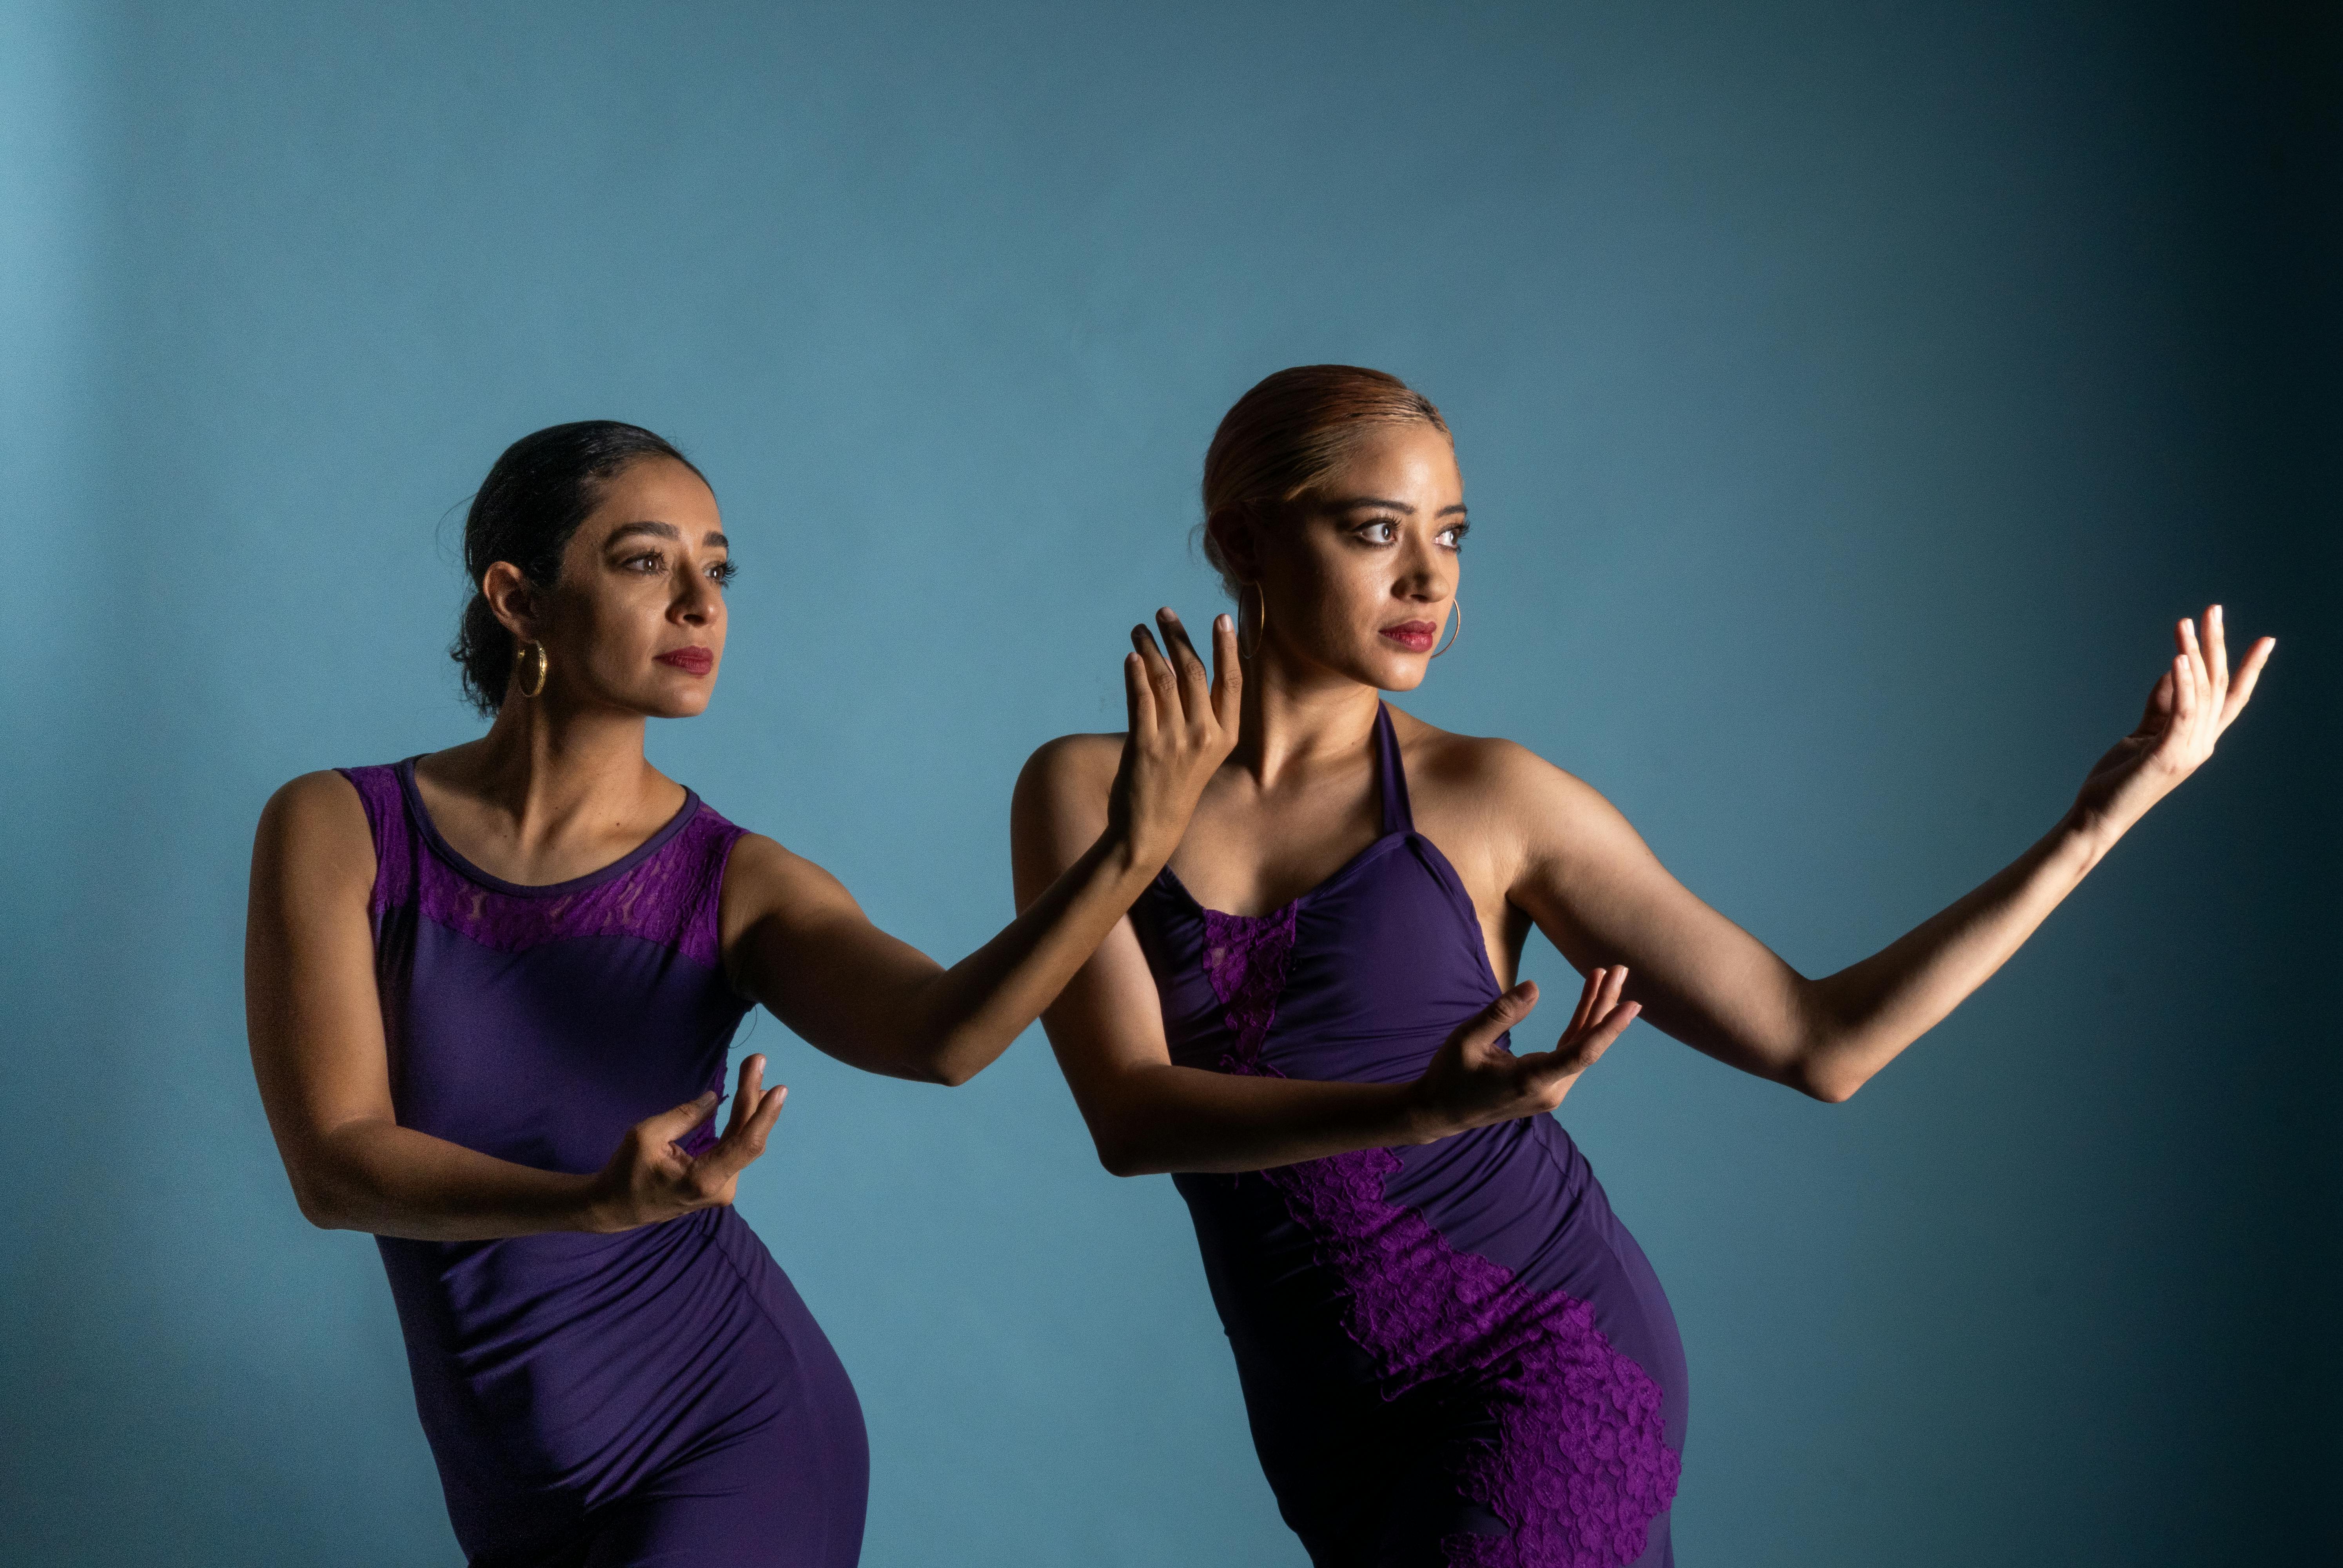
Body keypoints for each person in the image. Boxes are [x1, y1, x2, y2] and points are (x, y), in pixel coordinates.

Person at [1010, 365, 2273, 1568]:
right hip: (1326, 1422)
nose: (1427, 579)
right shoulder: (1083, 792)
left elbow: (1821, 1043)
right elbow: (1131, 1117)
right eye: (1375, 531)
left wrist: (2090, 827)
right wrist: (1414, 1108)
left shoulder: (1493, 800)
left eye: (1451, 536)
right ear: (1243, 541)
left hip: (1536, 1358)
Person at [243, 421, 1240, 1567]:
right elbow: (334, 1169)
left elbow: (944, 1039)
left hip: (731, 1437)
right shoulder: (340, 829)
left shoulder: (737, 883)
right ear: (518, 600)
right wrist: (585, 1201)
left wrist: (1128, 852)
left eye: (717, 570)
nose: (699, 605)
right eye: (644, 561)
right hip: (509, 1482)